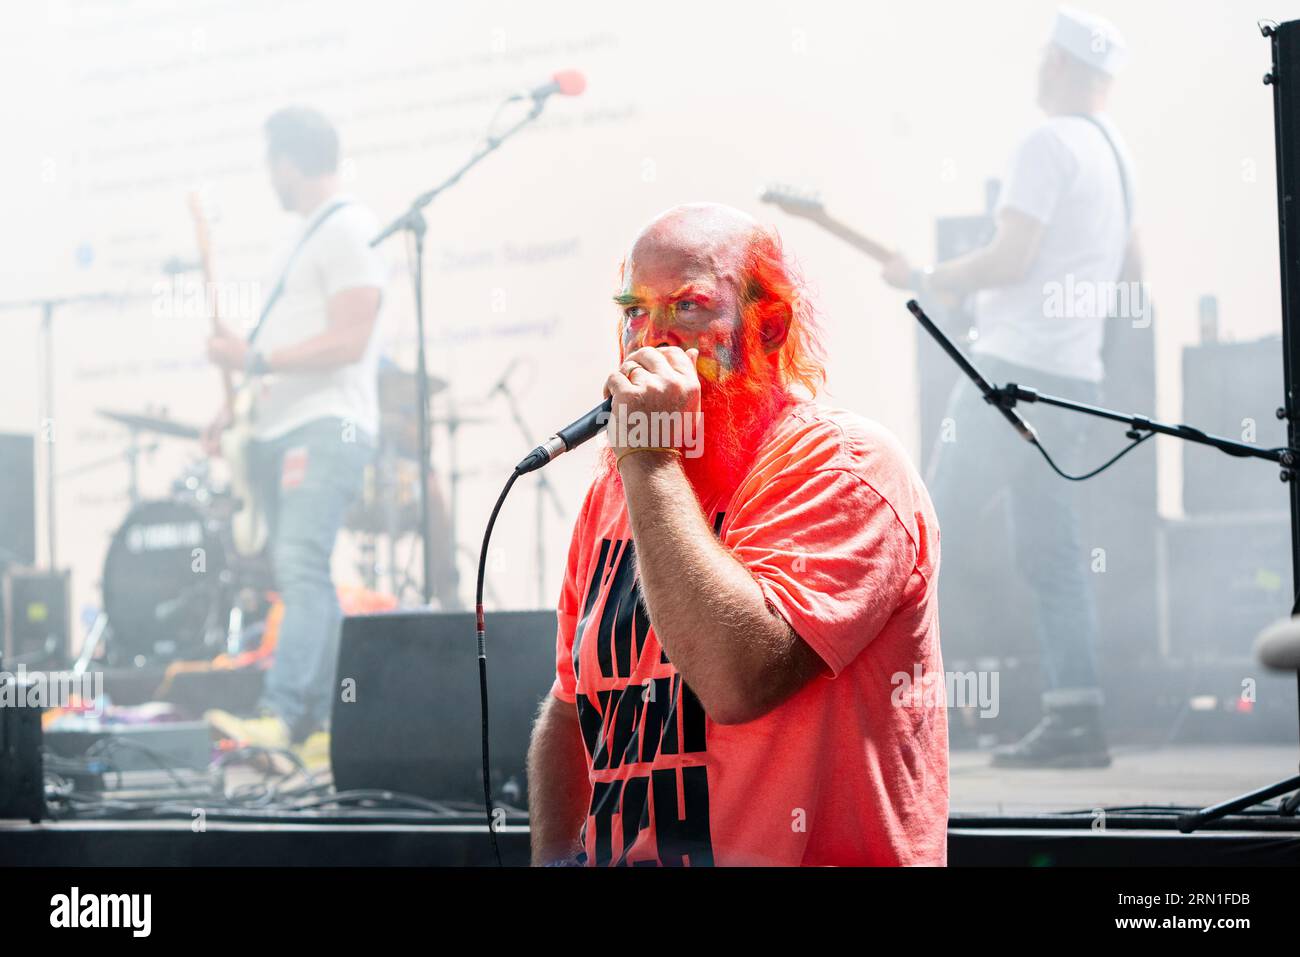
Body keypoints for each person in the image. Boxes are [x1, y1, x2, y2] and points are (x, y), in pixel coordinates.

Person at [527, 202, 947, 866]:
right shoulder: (616, 493)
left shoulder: (845, 468)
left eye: (689, 307)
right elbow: (572, 708)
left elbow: (737, 680)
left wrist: (651, 458)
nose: (652, 339)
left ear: (769, 326)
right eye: (636, 310)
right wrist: (553, 857)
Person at [881, 7, 1139, 768]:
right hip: (1070, 377)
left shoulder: (1046, 143)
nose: (1035, 71)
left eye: (1041, 59)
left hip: (1009, 375)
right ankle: (1077, 717)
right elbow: (1133, 271)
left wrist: (928, 278)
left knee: (923, 535)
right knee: (1053, 551)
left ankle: (891, 717)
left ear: (1059, 64)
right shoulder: (1119, 156)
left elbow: (1011, 258)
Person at [203, 106, 387, 756]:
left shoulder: (347, 229)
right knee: (304, 575)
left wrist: (254, 360)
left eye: (270, 164)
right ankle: (328, 729)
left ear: (288, 160)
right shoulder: (310, 236)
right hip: (290, 426)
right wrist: (237, 406)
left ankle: (284, 717)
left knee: (301, 566)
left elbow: (351, 337)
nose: (269, 178)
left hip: (325, 429)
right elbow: (290, 345)